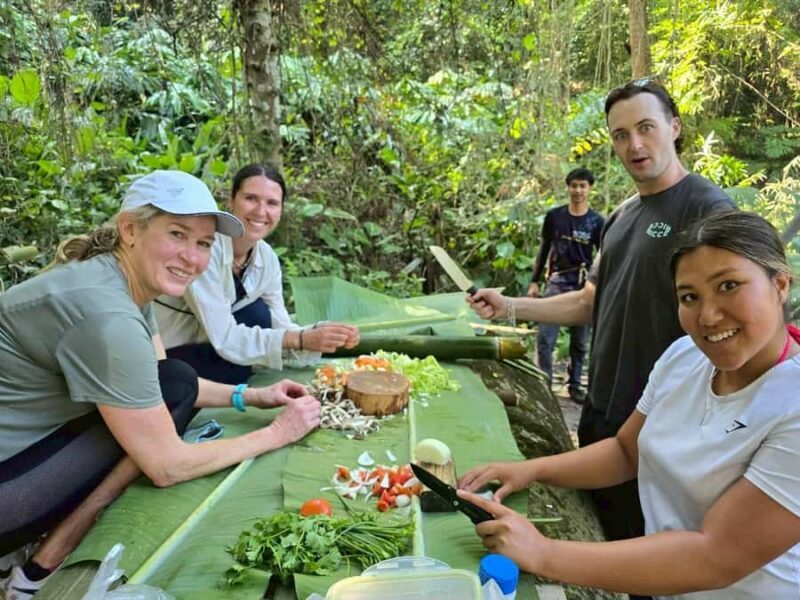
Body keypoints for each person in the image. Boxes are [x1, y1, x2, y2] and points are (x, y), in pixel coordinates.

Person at [0, 171, 322, 599]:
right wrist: (278, 433)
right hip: (9, 496)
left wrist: (250, 395)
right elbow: (167, 465)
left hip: (27, 456)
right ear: (130, 230)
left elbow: (164, 380)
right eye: (177, 234)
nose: (192, 257)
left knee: (174, 379)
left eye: (204, 243)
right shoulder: (107, 315)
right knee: (161, 426)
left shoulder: (124, 282)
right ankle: (42, 566)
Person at [459, 211, 800, 598]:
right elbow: (625, 452)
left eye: (729, 286)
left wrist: (544, 553)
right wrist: (529, 470)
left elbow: (717, 555)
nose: (707, 315)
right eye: (690, 296)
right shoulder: (684, 356)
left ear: (781, 284)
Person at [468, 79, 735, 572]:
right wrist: (509, 307)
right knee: (603, 538)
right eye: (620, 134)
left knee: (645, 559)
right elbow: (590, 303)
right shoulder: (621, 216)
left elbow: (736, 323)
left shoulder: (706, 209)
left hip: (663, 428)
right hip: (602, 417)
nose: (634, 144)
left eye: (646, 128)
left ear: (674, 128)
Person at [154, 163, 360, 385]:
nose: (261, 211)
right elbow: (224, 337)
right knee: (252, 324)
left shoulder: (266, 258)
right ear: (231, 202)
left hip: (212, 350)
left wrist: (322, 334)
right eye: (251, 198)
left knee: (260, 316)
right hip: (166, 356)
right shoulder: (204, 249)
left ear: (281, 210)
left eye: (272, 203)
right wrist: (300, 339)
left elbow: (280, 324)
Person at [528, 167, 604, 403]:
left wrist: (598, 286)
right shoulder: (555, 217)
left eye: (583, 186)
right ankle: (544, 383)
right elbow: (544, 250)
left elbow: (602, 255)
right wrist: (534, 281)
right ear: (568, 188)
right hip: (557, 281)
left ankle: (575, 386)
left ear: (590, 189)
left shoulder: (597, 222)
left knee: (580, 342)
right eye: (574, 185)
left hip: (583, 284)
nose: (578, 190)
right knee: (545, 338)